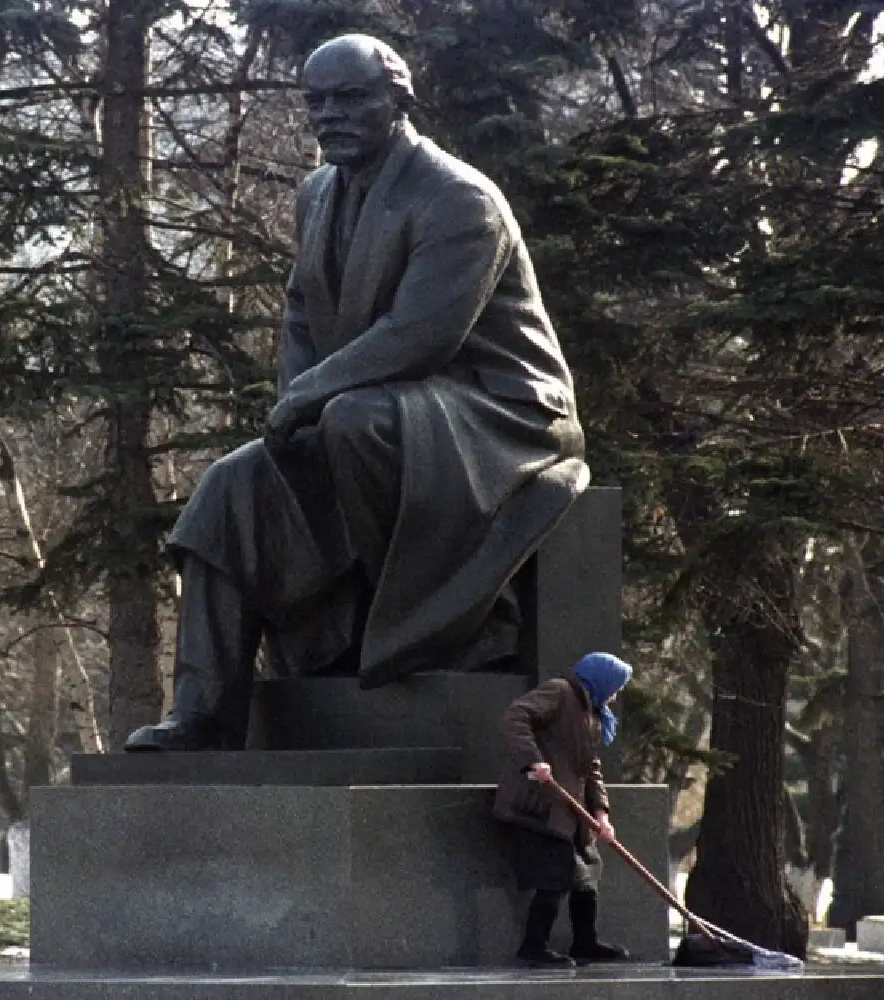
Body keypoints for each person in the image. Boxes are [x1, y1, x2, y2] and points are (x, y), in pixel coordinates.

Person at [125, 33, 587, 752]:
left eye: (350, 97)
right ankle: (207, 712)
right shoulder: (317, 195)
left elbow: (421, 334)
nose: (329, 115)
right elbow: (301, 316)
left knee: (354, 422)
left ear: (398, 100)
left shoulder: (460, 199)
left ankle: (404, 619)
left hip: (499, 408)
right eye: (316, 102)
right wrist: (294, 410)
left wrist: (312, 396)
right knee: (228, 486)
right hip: (372, 399)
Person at [492, 652, 634, 966]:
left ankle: (585, 942)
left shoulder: (593, 713)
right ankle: (533, 946)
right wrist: (533, 759)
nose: (616, 693)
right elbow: (516, 716)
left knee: (587, 876)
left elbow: (591, 767)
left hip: (571, 810)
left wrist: (601, 812)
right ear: (601, 677)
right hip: (539, 805)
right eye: (617, 685)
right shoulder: (559, 692)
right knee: (555, 875)